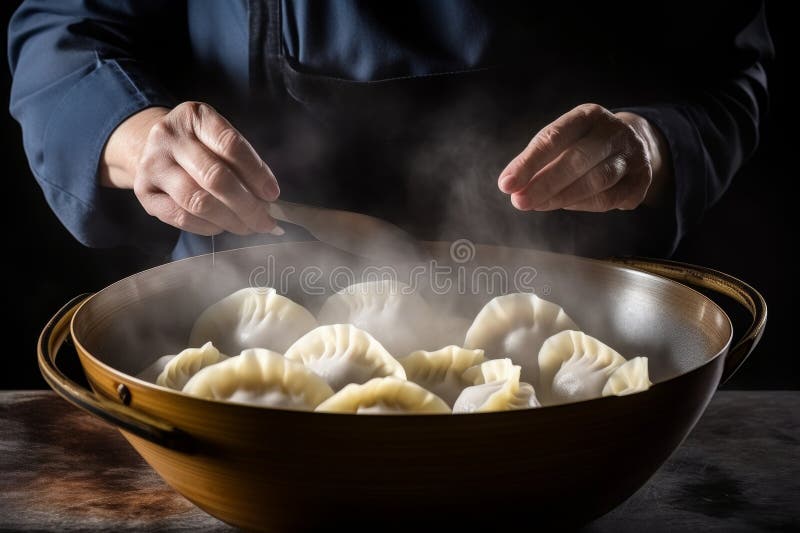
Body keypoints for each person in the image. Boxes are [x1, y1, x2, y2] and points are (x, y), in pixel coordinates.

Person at [8, 1, 772, 260]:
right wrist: (138, 137)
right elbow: (63, 32)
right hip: (238, 311)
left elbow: (738, 65)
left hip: (569, 318)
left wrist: (652, 144)